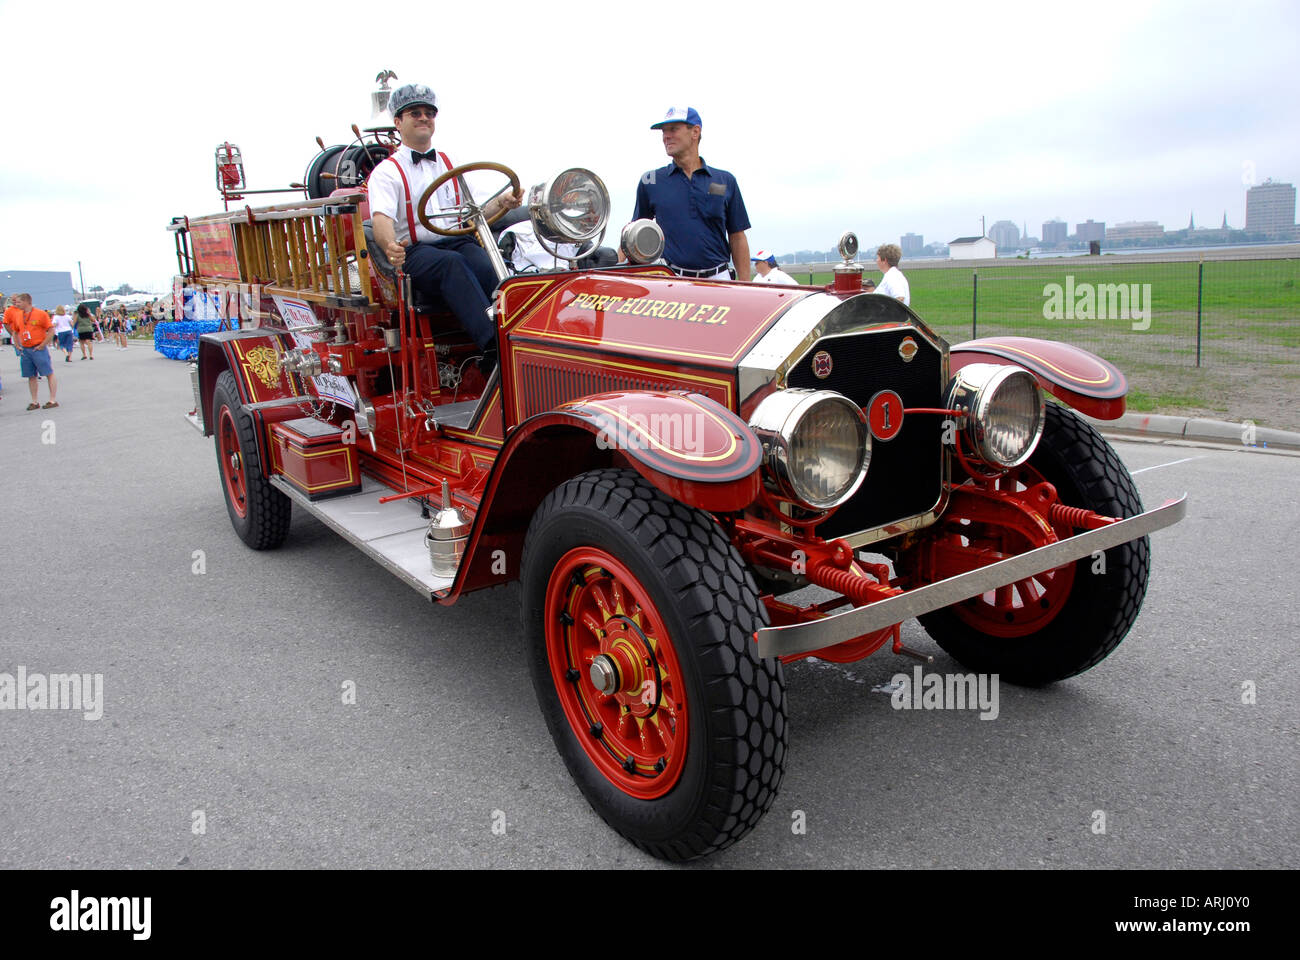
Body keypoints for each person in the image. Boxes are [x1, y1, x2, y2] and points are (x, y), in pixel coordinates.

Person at [367, 82, 523, 374]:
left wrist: (504, 201)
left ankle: (520, 332)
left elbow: (475, 210)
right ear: (398, 122)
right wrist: (390, 246)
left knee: (486, 261)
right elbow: (381, 222)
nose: (424, 118)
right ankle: (493, 348)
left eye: (429, 113)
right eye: (415, 113)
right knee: (452, 264)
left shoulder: (451, 164)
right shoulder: (387, 172)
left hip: (455, 241)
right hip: (416, 253)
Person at [633, 106, 751, 281]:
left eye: (673, 129)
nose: (666, 136)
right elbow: (634, 235)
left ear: (695, 132)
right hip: (672, 281)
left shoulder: (725, 181)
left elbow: (737, 237)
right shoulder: (651, 181)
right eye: (664, 132)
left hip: (720, 280)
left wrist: (745, 285)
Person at [2, 293, 59, 409]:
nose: (15, 304)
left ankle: (52, 400)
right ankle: (34, 401)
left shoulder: (40, 314)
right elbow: (15, 331)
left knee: (48, 373)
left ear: (27, 302)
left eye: (18, 302)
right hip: (26, 349)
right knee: (30, 376)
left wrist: (43, 345)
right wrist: (17, 345)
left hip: (38, 347)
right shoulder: (18, 315)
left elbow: (51, 330)